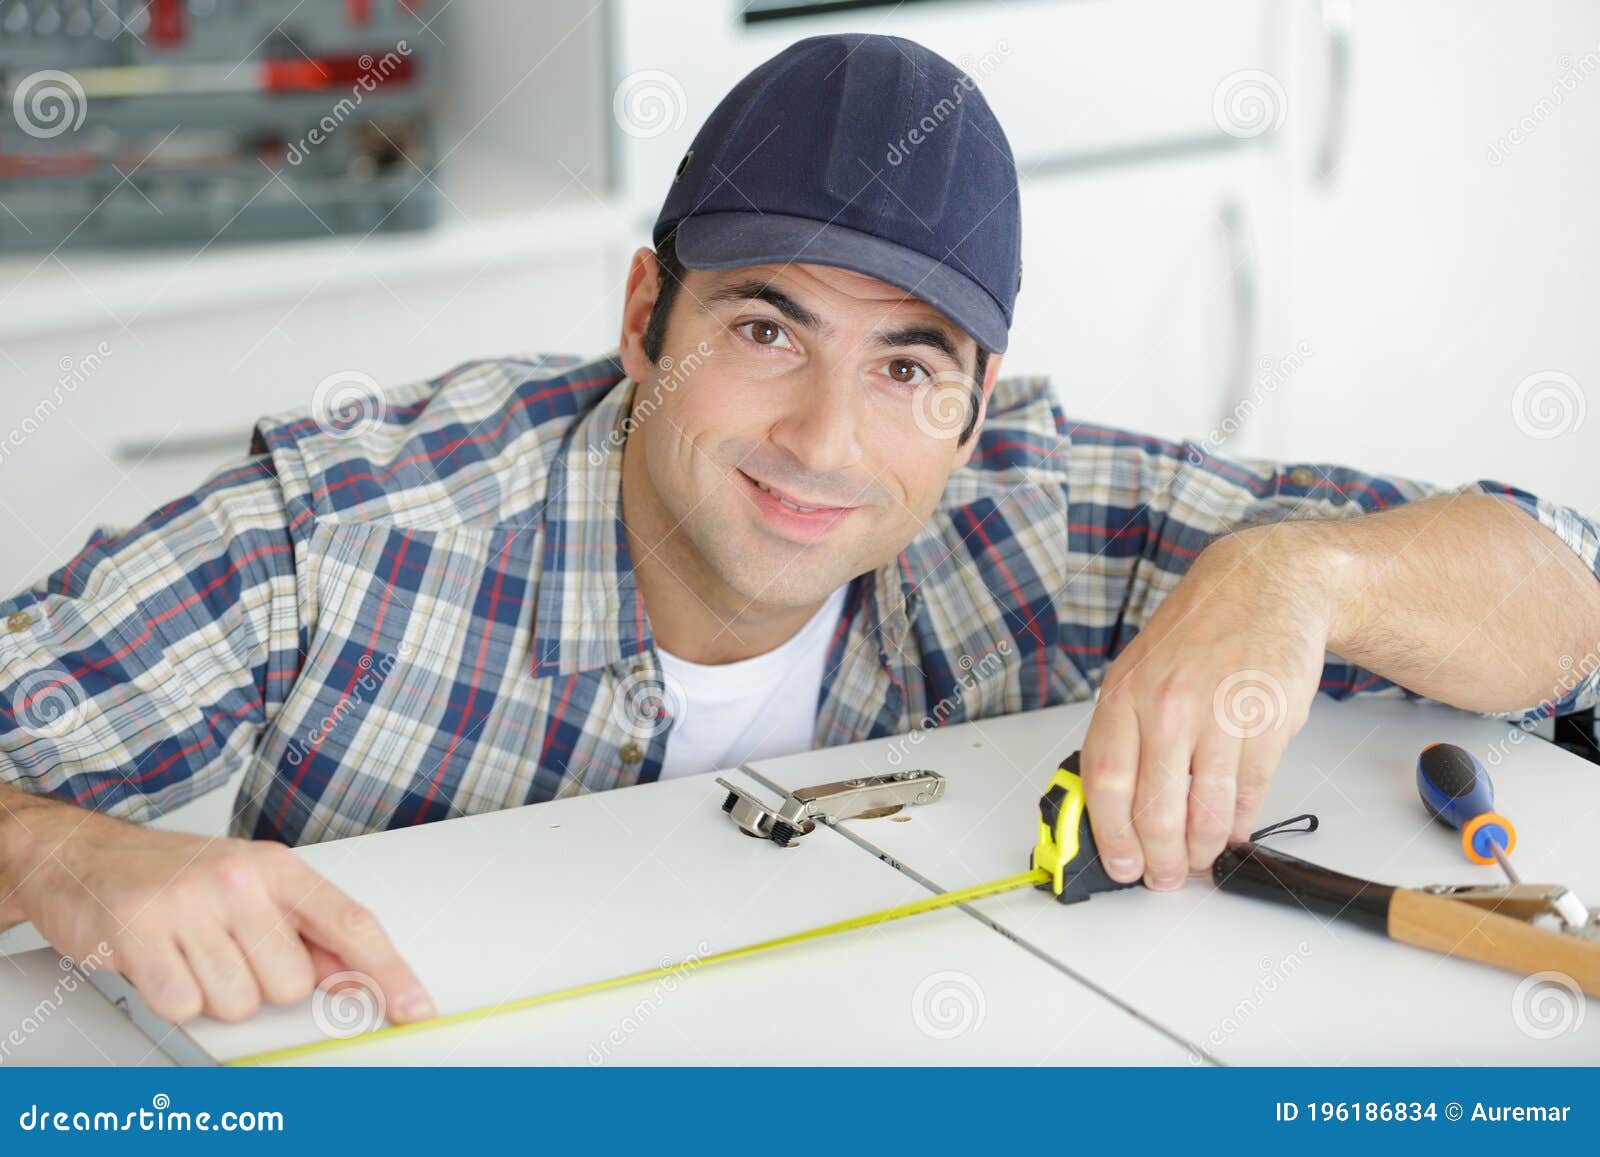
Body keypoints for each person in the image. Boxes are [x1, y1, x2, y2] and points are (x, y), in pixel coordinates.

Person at [2, 34, 1597, 1030]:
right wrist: (65, 848)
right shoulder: (352, 533)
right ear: (645, 317)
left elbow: (1566, 594)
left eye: (908, 366)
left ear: (975, 407)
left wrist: (1295, 572)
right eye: (767, 329)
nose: (830, 441)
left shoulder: (1041, 515)